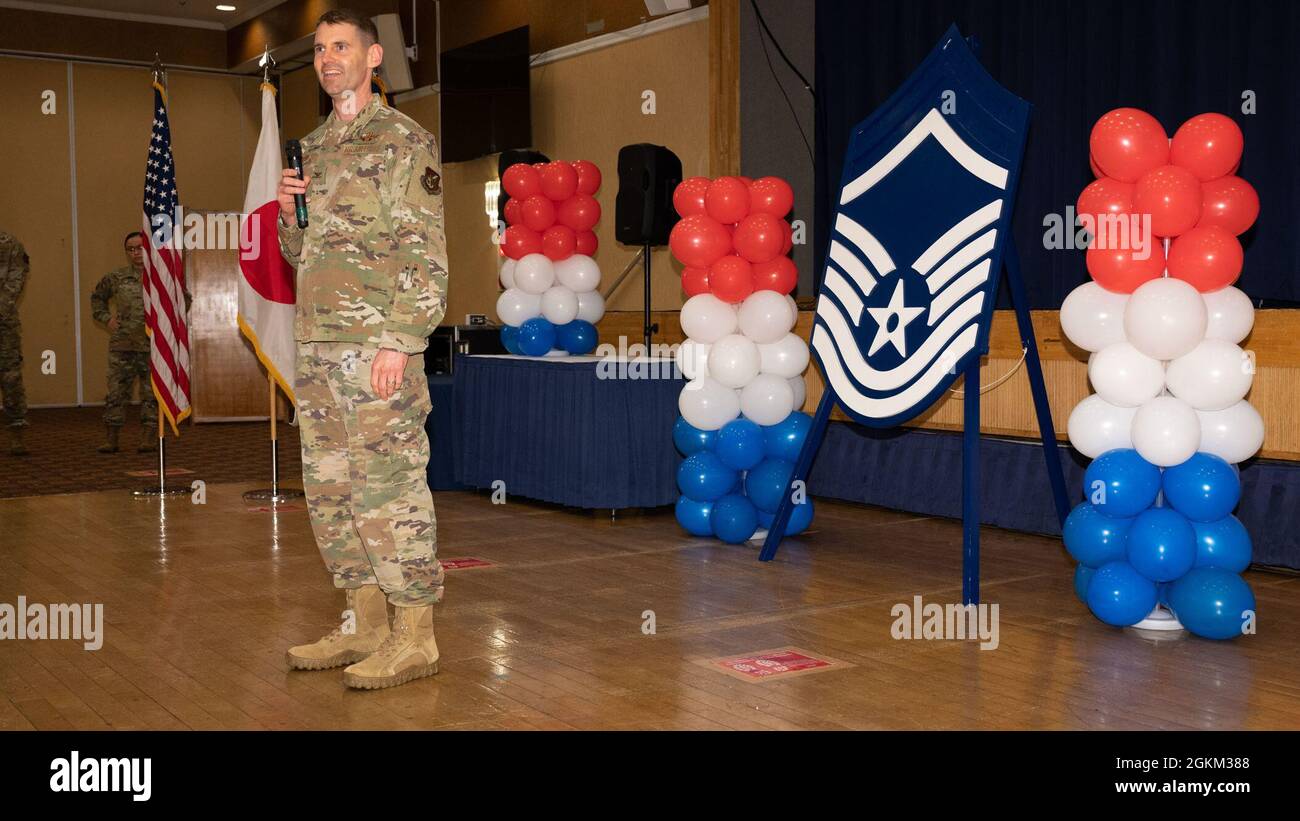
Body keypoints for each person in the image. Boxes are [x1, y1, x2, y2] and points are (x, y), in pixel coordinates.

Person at [278, 8, 449, 690]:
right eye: (319, 49)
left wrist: (400, 341)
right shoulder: (312, 149)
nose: (327, 59)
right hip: (318, 346)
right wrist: (293, 212)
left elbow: (424, 250)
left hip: (375, 346)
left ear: (373, 58)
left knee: (389, 488)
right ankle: (364, 621)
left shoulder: (405, 141)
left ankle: (416, 635)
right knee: (331, 491)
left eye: (341, 46)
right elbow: (302, 253)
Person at [90, 232, 157, 453]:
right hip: (123, 345)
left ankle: (148, 437)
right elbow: (97, 298)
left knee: (151, 394)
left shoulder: (161, 277)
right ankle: (112, 438)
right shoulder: (116, 277)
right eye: (131, 249)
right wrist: (106, 318)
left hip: (152, 346)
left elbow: (184, 300)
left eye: (140, 247)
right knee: (117, 393)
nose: (136, 253)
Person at [0, 228, 30, 456]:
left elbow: (16, 278)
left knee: (10, 377)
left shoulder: (8, 242)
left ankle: (17, 431)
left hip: (3, 321)